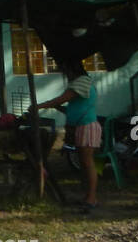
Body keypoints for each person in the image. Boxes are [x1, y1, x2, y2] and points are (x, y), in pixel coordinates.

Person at [33, 57, 100, 212]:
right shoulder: (81, 83)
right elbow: (74, 106)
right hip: (80, 126)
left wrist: (39, 106)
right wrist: (60, 109)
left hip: (87, 126)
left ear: (72, 70)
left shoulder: (82, 81)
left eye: (65, 70)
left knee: (87, 163)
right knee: (83, 164)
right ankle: (89, 197)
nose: (65, 74)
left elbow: (61, 99)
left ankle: (91, 198)